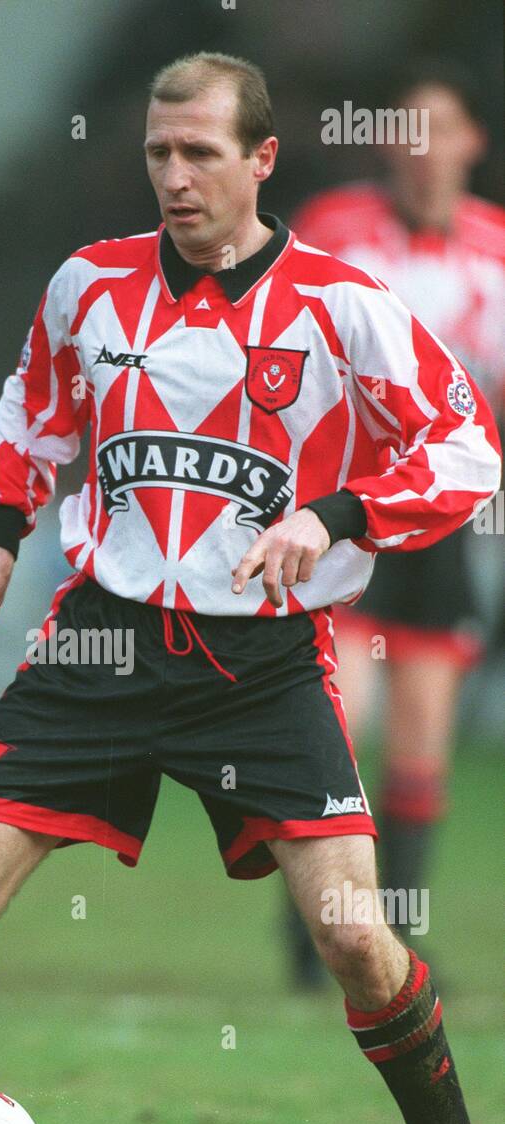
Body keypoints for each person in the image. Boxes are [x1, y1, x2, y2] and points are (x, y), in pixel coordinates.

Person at [0, 52, 504, 1124]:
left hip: (263, 664)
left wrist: (331, 517)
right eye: (159, 154)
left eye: (201, 154)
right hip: (101, 646)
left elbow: (465, 447)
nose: (174, 177)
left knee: (353, 938)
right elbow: (34, 412)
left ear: (262, 160)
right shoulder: (88, 286)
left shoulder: (344, 302)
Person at [282, 61, 505, 990]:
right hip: (344, 517)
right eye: (406, 129)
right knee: (343, 726)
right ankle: (317, 932)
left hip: (443, 525)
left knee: (420, 740)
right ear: (387, 143)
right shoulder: (334, 231)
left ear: (470, 145)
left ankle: (393, 936)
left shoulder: (495, 249)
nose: (423, 148)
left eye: (439, 129)